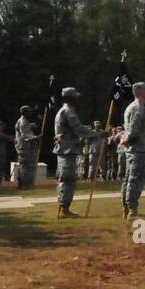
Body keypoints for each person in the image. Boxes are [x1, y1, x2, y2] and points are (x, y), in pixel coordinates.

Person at [54, 87, 94, 218]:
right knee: (67, 178)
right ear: (69, 98)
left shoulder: (67, 110)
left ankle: (65, 208)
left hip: (68, 149)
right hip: (67, 149)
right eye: (75, 96)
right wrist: (97, 134)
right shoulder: (67, 111)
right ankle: (64, 210)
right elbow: (78, 129)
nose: (77, 99)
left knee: (69, 179)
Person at [120, 83, 145, 218]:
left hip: (133, 149)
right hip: (137, 149)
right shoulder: (138, 108)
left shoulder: (132, 107)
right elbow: (133, 131)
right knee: (135, 179)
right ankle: (132, 209)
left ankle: (127, 207)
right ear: (140, 92)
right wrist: (128, 140)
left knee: (129, 179)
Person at [14, 106, 39, 190]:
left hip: (25, 146)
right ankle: (25, 185)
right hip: (23, 146)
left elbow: (28, 127)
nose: (30, 113)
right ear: (25, 112)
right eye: (29, 112)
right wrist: (37, 137)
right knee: (25, 166)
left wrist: (33, 125)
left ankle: (25, 184)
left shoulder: (25, 121)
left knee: (25, 165)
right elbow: (25, 135)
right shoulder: (23, 122)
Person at [0, 120, 14, 187]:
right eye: (2, 126)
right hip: (0, 155)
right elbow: (9, 138)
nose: (3, 128)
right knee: (0, 170)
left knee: (0, 170)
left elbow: (8, 137)